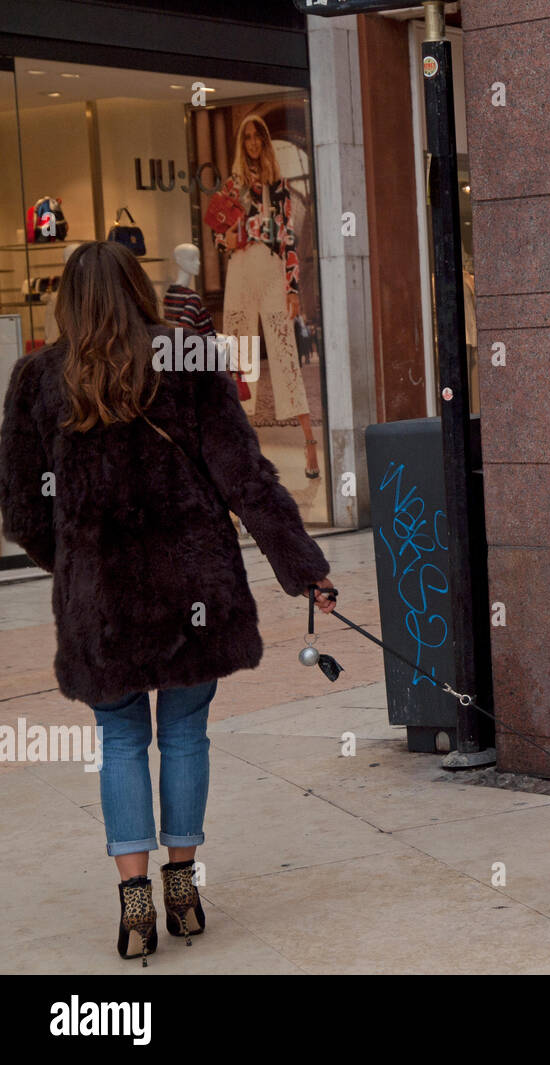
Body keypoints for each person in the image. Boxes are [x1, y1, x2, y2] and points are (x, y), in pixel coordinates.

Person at [0, 241, 338, 964]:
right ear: (138, 289)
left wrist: (74, 565)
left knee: (120, 739)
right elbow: (245, 477)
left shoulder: (37, 379)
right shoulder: (186, 359)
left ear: (66, 302)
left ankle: (135, 906)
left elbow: (24, 511)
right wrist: (303, 568)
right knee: (185, 734)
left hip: (103, 602)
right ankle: (184, 887)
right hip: (195, 585)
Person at [212, 112, 319, 478]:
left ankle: (309, 445)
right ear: (242, 144)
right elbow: (219, 236)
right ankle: (243, 454)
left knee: (286, 353)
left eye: (259, 137)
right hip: (240, 269)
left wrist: (293, 289)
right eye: (248, 138)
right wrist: (227, 237)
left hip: (272, 271)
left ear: (265, 142)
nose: (253, 144)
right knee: (239, 356)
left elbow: (289, 238)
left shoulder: (279, 186)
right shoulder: (231, 187)